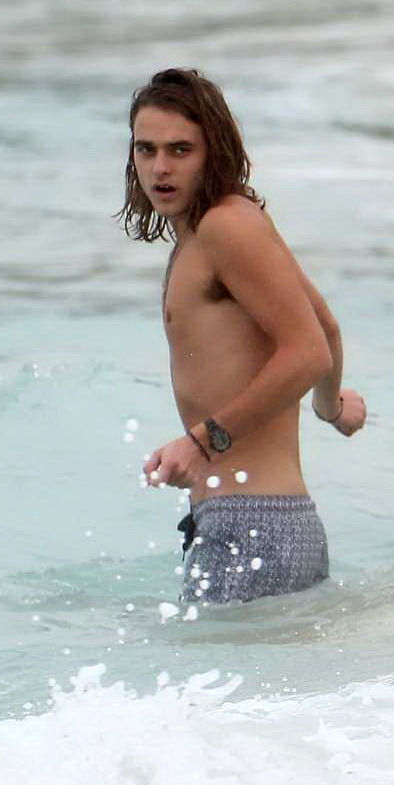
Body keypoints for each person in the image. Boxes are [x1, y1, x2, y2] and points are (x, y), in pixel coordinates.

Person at [119, 68, 366, 604]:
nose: (160, 168)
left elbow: (307, 350)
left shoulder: (226, 227)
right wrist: (330, 407)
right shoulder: (221, 224)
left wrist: (200, 442)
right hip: (263, 526)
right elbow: (321, 323)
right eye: (147, 149)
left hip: (252, 526)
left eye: (181, 150)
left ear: (215, 152)